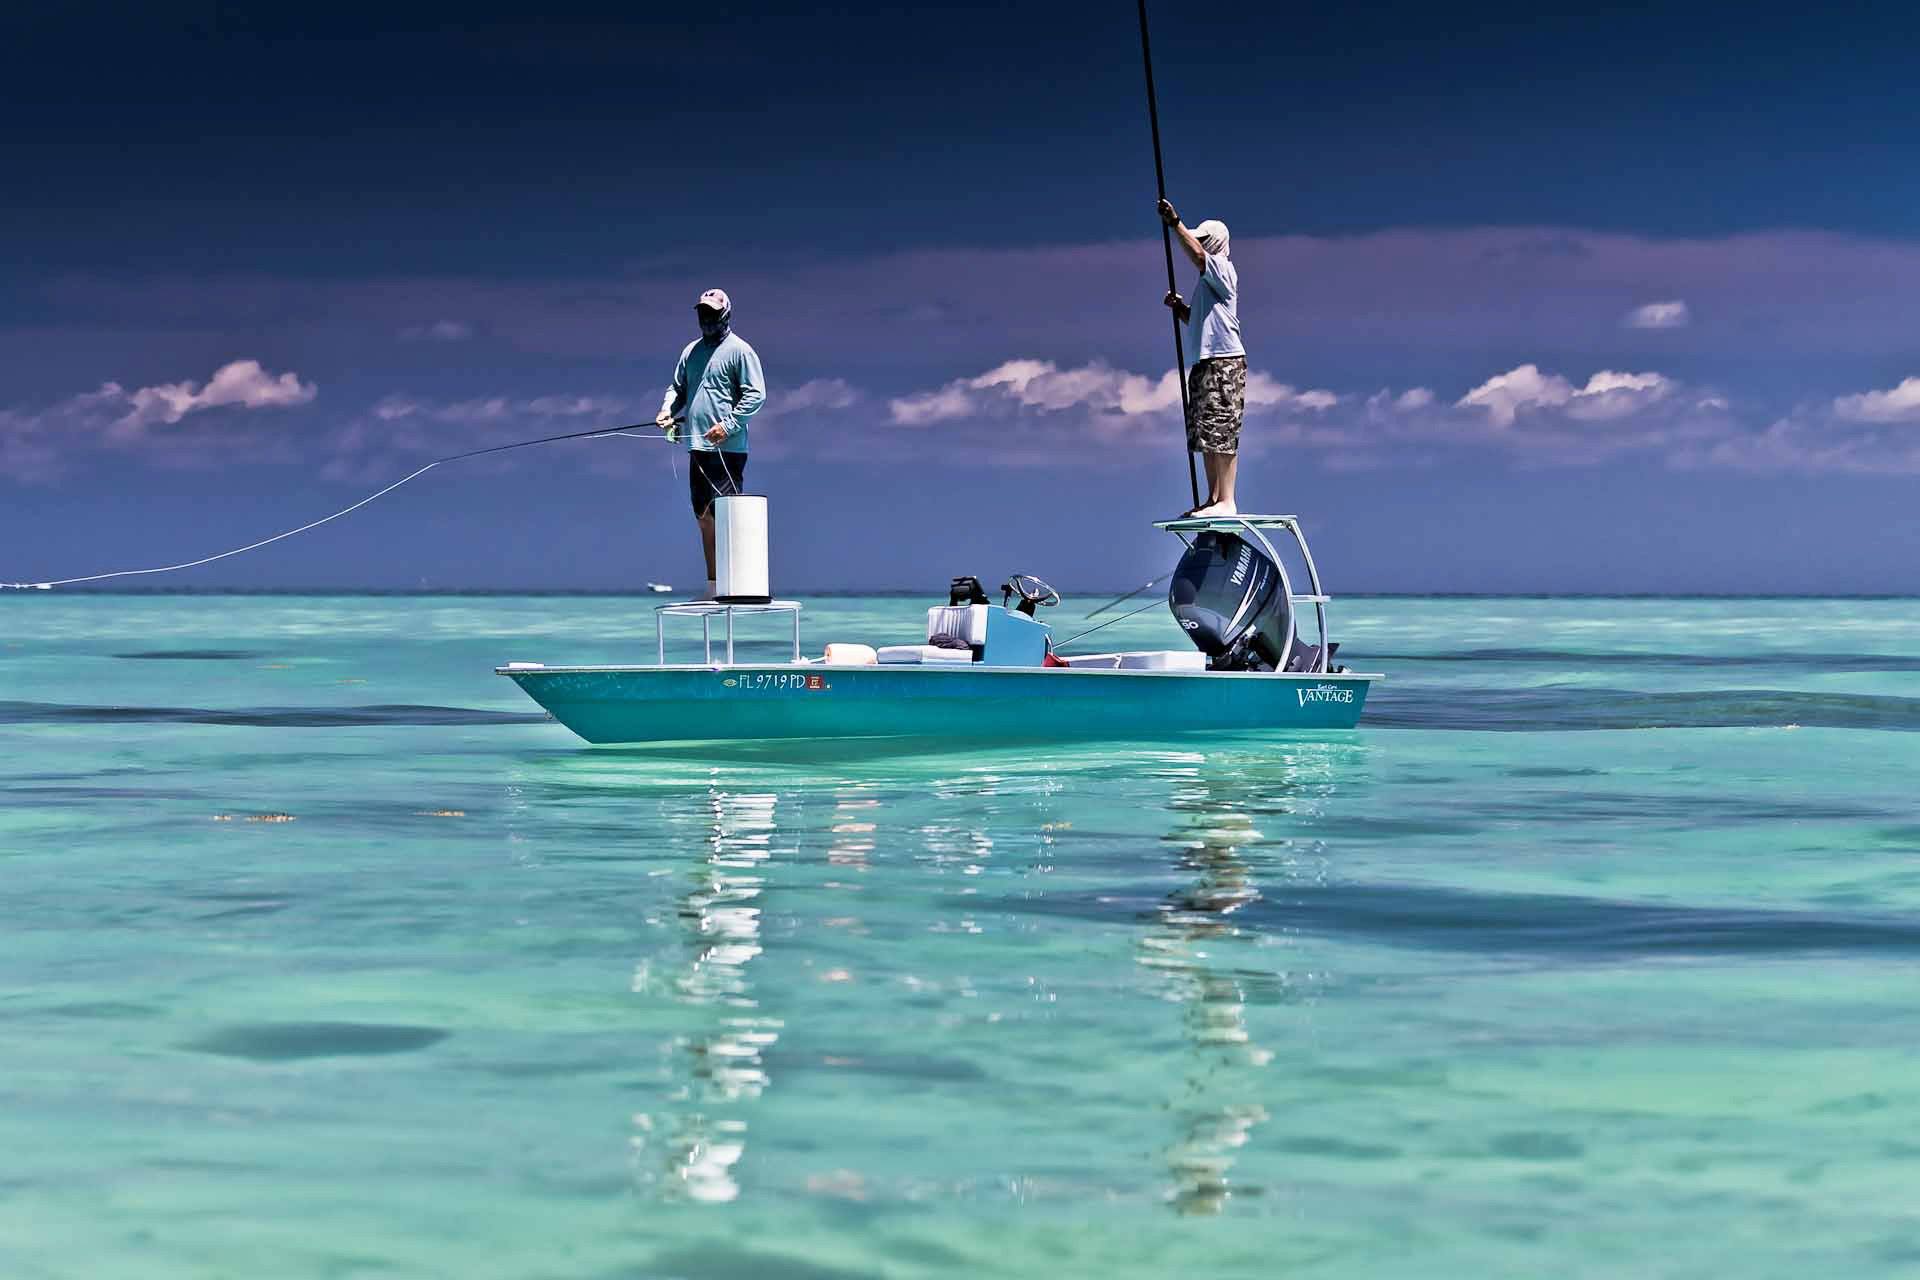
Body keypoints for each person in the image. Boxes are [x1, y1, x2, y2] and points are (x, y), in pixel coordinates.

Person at [655, 289, 766, 598]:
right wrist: (667, 411)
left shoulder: (740, 351)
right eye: (702, 313)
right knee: (703, 517)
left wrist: (728, 425)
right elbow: (678, 388)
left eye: (712, 313)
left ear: (725, 315)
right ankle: (714, 586)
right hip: (697, 448)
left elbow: (756, 395)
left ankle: (737, 586)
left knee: (727, 517)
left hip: (727, 449)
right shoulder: (691, 351)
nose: (706, 319)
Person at [1158, 198, 1244, 517]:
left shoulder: (1221, 267)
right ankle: (1214, 500)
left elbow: (1196, 255)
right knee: (1207, 433)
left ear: (1216, 243)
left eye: (1204, 241)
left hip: (1224, 361)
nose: (1200, 246)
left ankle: (1227, 502)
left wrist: (1175, 223)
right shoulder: (1208, 283)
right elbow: (1201, 321)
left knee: (1222, 430)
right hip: (1205, 361)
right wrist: (1181, 310)